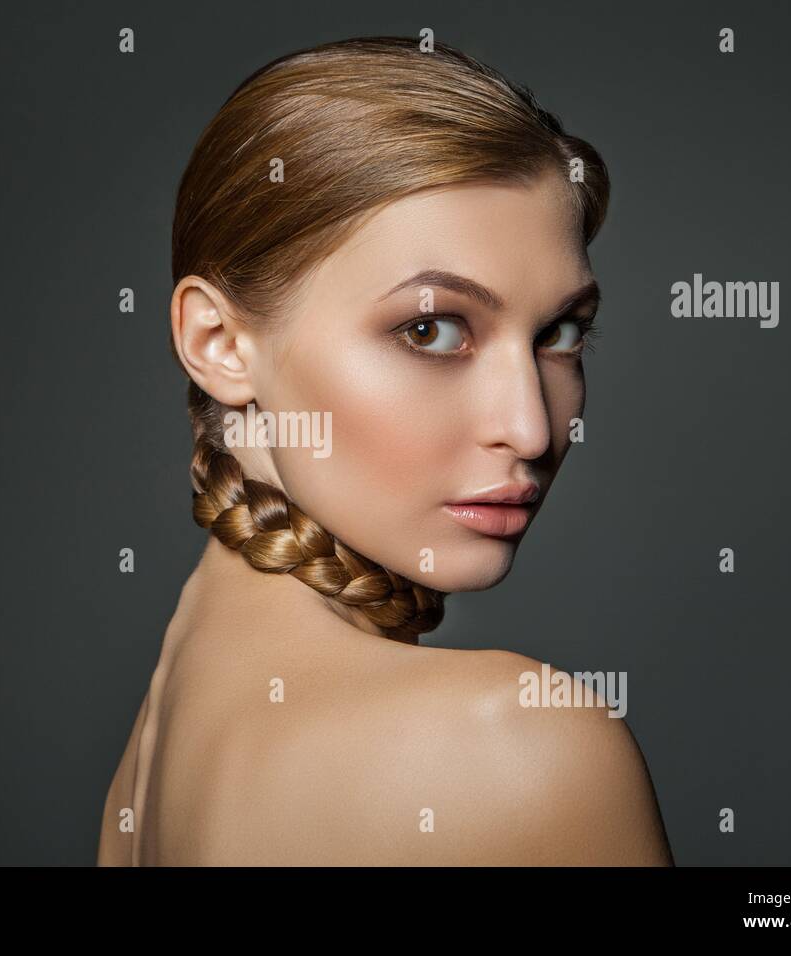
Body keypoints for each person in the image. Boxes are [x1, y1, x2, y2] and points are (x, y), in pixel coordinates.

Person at [98, 35, 674, 866]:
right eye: (431, 330)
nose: (532, 429)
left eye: (559, 333)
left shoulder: (160, 746)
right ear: (219, 343)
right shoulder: (516, 743)